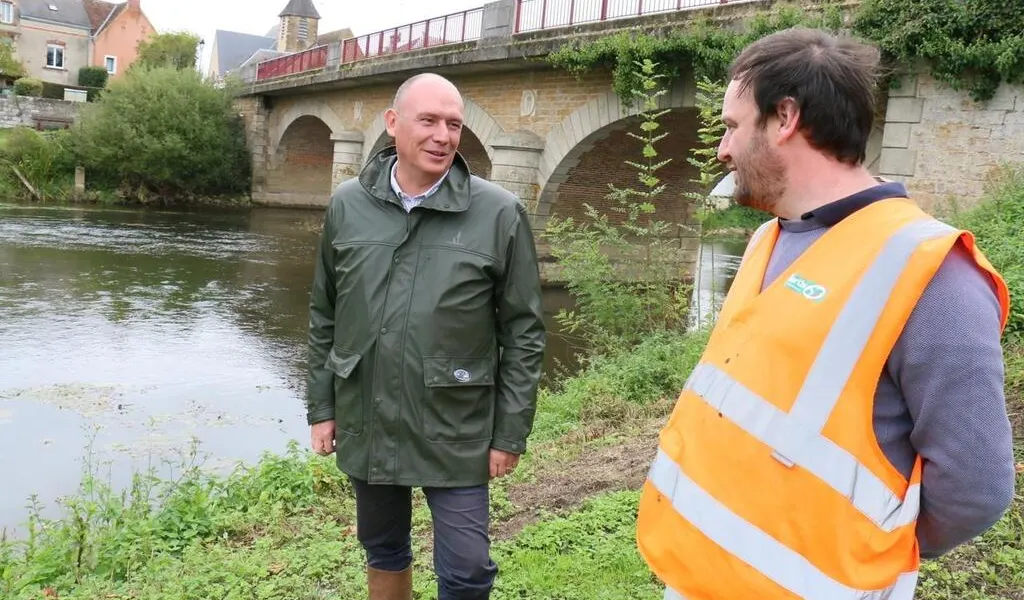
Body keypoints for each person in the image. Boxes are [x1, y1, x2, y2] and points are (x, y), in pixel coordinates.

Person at [636, 27, 1016, 599]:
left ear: (785, 118)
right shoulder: (769, 239)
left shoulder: (933, 274)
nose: (722, 150)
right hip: (699, 576)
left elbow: (976, 487)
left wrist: (861, 543)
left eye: (732, 127)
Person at [305, 73, 546, 600]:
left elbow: (524, 333)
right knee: (383, 548)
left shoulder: (500, 213)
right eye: (429, 120)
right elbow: (326, 313)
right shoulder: (347, 205)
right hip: (368, 413)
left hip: (456, 423)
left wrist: (508, 434)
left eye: (454, 124)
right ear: (393, 124)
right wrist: (321, 407)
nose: (443, 135)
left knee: (466, 569)